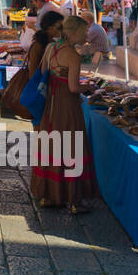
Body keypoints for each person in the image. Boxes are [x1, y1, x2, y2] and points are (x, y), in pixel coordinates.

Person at [30, 16, 97, 214]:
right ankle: (74, 200)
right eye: (84, 32)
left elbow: (43, 72)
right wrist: (89, 86)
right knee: (71, 148)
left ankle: (50, 196)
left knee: (52, 147)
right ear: (72, 33)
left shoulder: (51, 48)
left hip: (50, 105)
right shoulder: (73, 55)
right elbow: (73, 87)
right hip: (67, 106)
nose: (87, 36)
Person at [0, 10, 64, 122]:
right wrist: (37, 91)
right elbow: (33, 70)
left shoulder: (50, 43)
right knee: (41, 122)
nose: (62, 30)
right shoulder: (39, 45)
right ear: (49, 27)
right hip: (41, 89)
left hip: (48, 88)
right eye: (59, 27)